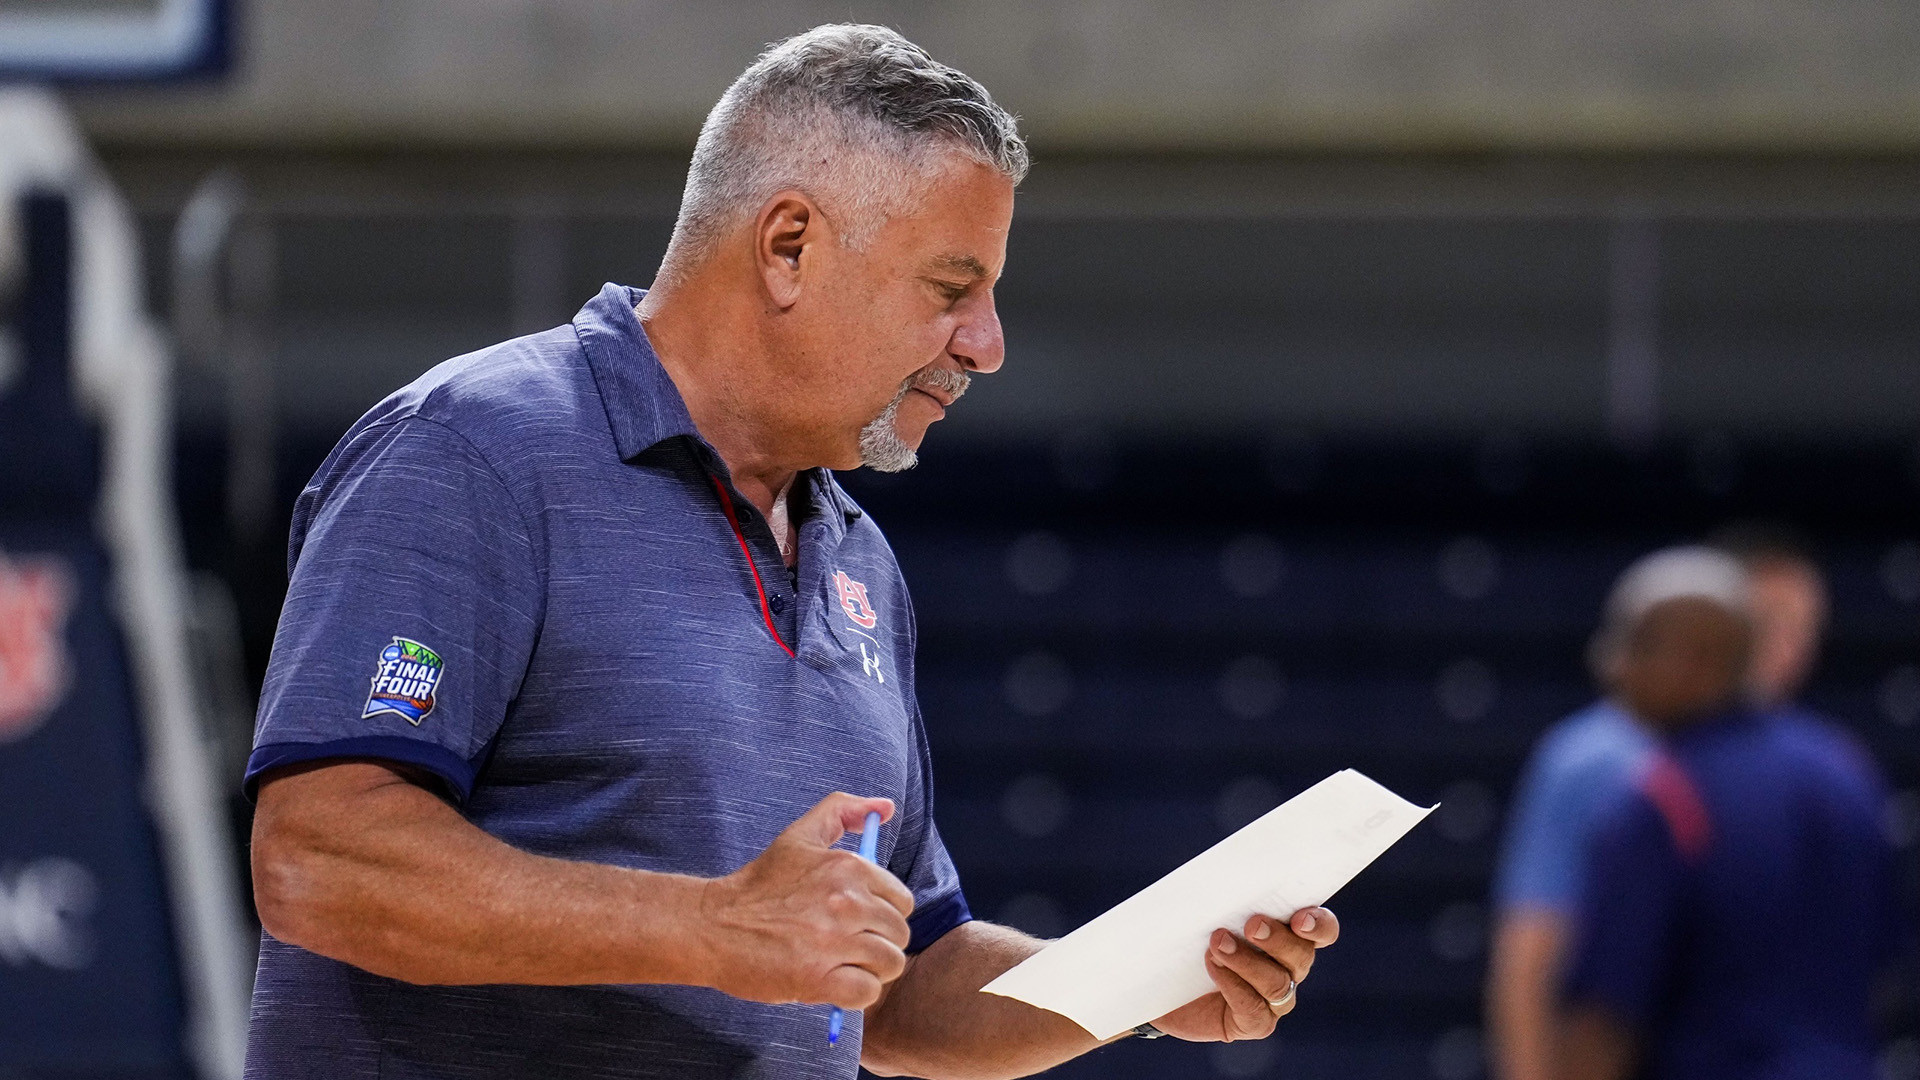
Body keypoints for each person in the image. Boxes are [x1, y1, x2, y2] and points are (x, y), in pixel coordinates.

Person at [241, 25, 1336, 1080]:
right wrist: (718, 928)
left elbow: (892, 988)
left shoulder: (856, 560)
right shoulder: (475, 453)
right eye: (952, 290)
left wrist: (1128, 987)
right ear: (789, 246)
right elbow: (320, 860)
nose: (987, 345)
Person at [1486, 530, 1837, 1080]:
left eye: (1804, 630)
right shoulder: (1609, 765)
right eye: (1771, 625)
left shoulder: (1814, 772)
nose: (1788, 650)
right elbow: (1534, 953)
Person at [1558, 548, 1898, 1080]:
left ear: (1701, 657)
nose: (1611, 664)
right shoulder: (1846, 771)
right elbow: (1883, 964)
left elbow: (1603, 1021)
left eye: (1637, 643)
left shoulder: (1665, 797)